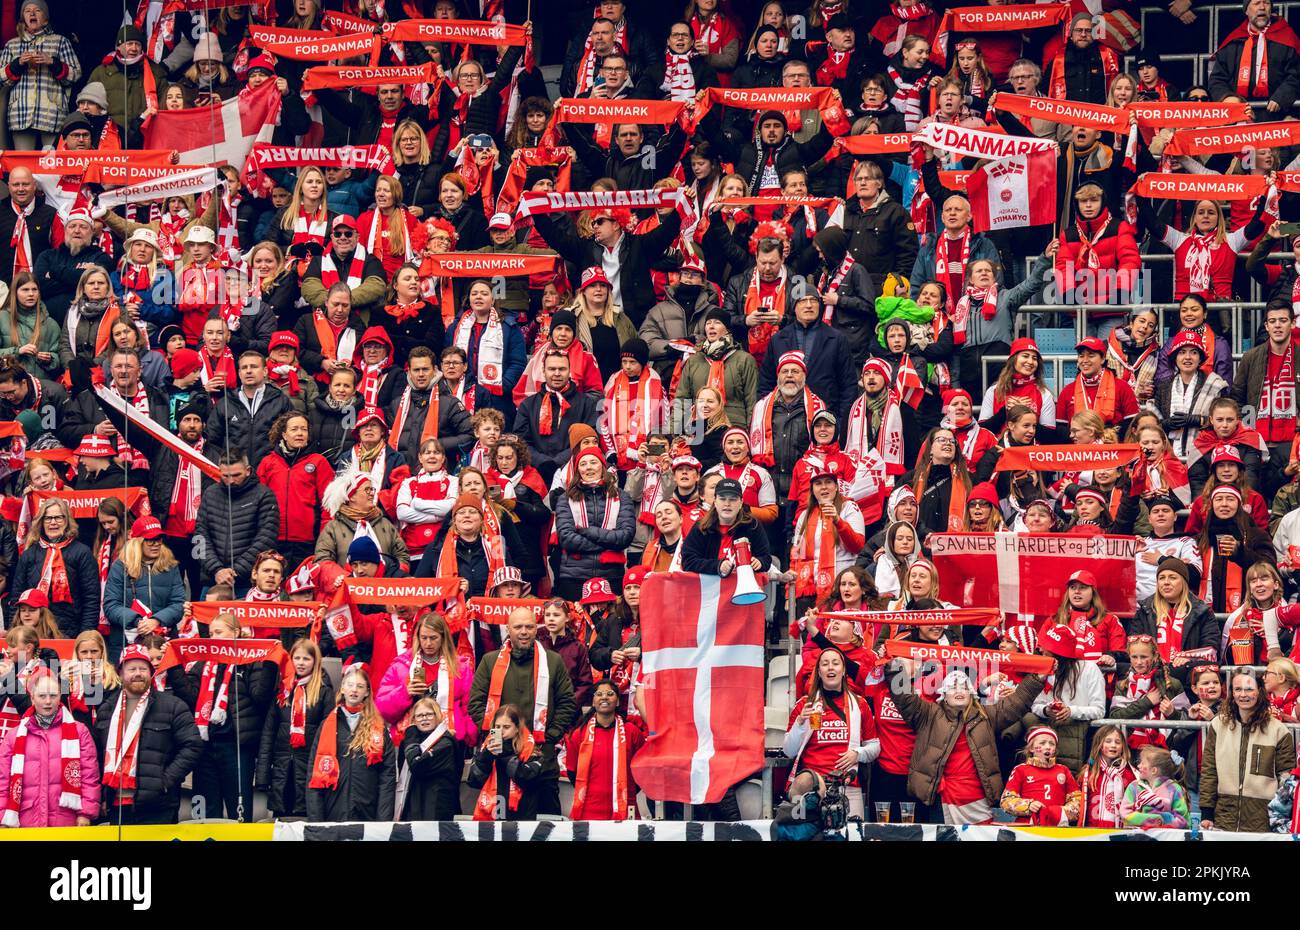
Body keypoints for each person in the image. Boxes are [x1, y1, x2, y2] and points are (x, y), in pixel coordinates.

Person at [467, 607, 578, 818]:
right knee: (501, 828)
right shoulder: (490, 661)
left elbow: (567, 702)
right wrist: (497, 735)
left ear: (537, 629)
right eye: (518, 627)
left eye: (529, 626)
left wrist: (550, 735)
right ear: (509, 629)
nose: (524, 631)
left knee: (546, 826)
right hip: (500, 763)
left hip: (541, 758)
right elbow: (475, 703)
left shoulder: (552, 661)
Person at [94, 645, 203, 825]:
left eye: (143, 669)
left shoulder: (173, 705)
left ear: (151, 673)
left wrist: (165, 781)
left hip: (158, 805)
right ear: (120, 673)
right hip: (117, 804)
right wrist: (102, 794)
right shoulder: (107, 709)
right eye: (132, 669)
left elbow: (193, 746)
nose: (138, 673)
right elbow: (98, 754)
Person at [784, 646, 880, 819]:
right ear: (819, 672)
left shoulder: (860, 704)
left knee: (852, 835)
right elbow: (788, 751)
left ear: (843, 671)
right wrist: (800, 723)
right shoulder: (804, 704)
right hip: (812, 786)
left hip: (848, 785)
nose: (830, 668)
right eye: (825, 664)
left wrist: (857, 754)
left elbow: (875, 747)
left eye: (835, 663)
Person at [0, 668, 99, 827]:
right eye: (42, 696)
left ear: (60, 697)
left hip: (67, 820)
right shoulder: (13, 736)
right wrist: (3, 816)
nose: (47, 701)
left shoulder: (80, 731)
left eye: (53, 696)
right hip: (26, 822)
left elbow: (89, 776)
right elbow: (3, 781)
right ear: (32, 698)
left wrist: (85, 813)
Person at [1201, 670, 1296, 832]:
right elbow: (1209, 771)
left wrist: (1283, 818)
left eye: (1249, 689)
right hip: (1224, 814)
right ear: (1232, 693)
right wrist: (1206, 813)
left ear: (1259, 691)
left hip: (1263, 817)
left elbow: (1286, 781)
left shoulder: (1278, 731)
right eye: (1238, 689)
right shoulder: (1218, 725)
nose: (1243, 695)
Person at [305, 662, 397, 822]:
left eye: (360, 686)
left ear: (367, 692)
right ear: (342, 689)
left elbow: (387, 777)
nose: (354, 690)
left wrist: (383, 823)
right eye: (350, 685)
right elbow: (314, 776)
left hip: (367, 813)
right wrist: (316, 822)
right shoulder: (327, 725)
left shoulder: (379, 728)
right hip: (333, 812)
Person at [256, 638, 335, 819]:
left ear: (315, 661)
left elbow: (329, 733)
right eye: (296, 658)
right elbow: (269, 732)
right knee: (281, 819)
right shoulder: (283, 688)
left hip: (309, 766)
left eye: (306, 659)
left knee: (304, 819)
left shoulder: (324, 691)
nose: (300, 663)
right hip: (282, 766)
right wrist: (262, 774)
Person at [375, 610, 473, 739]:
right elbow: (382, 708)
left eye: (433, 638)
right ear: (418, 638)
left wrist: (470, 738)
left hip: (449, 739)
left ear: (443, 638)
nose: (428, 643)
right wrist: (405, 692)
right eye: (424, 638)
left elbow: (469, 708)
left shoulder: (461, 668)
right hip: (409, 739)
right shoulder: (401, 666)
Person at [553, 450, 636, 602]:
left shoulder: (622, 496)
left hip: (611, 576)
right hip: (574, 577)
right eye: (583, 464)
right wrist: (608, 542)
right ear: (578, 470)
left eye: (593, 462)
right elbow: (566, 538)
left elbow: (625, 536)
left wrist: (586, 531)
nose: (588, 467)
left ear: (602, 467)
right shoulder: (565, 499)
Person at [9, 497, 98, 637]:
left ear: (67, 520)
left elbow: (91, 598)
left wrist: (85, 635)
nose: (53, 522)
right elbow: (16, 595)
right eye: (48, 518)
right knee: (26, 660)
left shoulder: (82, 553)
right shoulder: (29, 554)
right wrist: (13, 633)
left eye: (58, 517)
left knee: (55, 661)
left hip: (70, 632)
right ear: (41, 522)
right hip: (32, 634)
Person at [195, 449, 281, 592]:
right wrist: (216, 570)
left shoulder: (264, 495)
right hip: (212, 581)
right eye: (225, 476)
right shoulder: (210, 493)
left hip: (247, 582)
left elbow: (266, 540)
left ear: (248, 471)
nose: (231, 481)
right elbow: (199, 537)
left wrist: (234, 572)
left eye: (236, 475)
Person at [102, 517, 186, 663]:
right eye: (150, 540)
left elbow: (179, 603)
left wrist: (156, 620)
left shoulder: (170, 566)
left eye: (159, 538)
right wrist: (137, 621)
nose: (156, 544)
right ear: (137, 542)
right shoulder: (120, 567)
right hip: (126, 640)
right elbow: (110, 605)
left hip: (163, 640)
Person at [1026, 625, 1106, 774]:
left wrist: (1071, 711)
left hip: (1077, 734)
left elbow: (1099, 710)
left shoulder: (1089, 669)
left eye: (1045, 646)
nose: (1040, 649)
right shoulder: (1043, 668)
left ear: (1057, 651)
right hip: (1047, 733)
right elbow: (1035, 704)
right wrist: (1046, 710)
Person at [563, 679, 645, 821]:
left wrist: (627, 791)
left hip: (626, 807)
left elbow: (641, 771)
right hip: (589, 810)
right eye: (599, 694)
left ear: (618, 701)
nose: (604, 697)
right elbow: (572, 772)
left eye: (610, 693)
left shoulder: (632, 732)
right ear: (593, 702)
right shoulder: (579, 734)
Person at [999, 727, 1082, 826]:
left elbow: (1078, 800)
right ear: (1031, 748)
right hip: (1027, 827)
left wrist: (1061, 812)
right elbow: (1006, 801)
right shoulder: (1020, 769)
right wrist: (1028, 806)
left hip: (1057, 826)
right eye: (1042, 743)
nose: (1048, 747)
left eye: (1052, 743)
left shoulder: (1063, 770)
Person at [397, 696, 462, 820]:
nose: (424, 719)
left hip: (437, 808)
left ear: (437, 716)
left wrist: (411, 741)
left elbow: (417, 766)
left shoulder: (446, 743)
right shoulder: (409, 741)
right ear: (414, 720)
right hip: (413, 804)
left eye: (429, 714)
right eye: (420, 716)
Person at [1077, 724, 1137, 828]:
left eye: (1117, 742)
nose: (1113, 745)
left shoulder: (1130, 774)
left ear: (1123, 747)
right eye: (1108, 741)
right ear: (1099, 745)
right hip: (1092, 831)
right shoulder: (1089, 773)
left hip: (1120, 831)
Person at [1121, 745, 1191, 830]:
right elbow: (1125, 814)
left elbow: (1184, 820)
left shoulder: (1174, 788)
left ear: (1153, 770)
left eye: (1142, 763)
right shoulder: (1134, 787)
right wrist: (1152, 820)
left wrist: (1163, 820)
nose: (1138, 766)